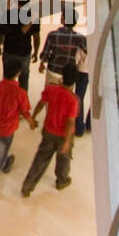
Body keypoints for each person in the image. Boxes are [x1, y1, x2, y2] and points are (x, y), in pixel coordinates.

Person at [0, 58, 36, 195]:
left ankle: (6, 159)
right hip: (8, 128)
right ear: (18, 74)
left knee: (1, 145)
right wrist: (32, 123)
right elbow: (25, 113)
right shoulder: (20, 92)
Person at [21, 63, 79, 196]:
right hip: (63, 135)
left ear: (62, 76)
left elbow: (41, 103)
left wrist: (33, 117)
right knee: (64, 160)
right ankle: (61, 181)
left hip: (48, 130)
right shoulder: (73, 100)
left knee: (40, 159)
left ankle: (27, 186)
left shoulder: (51, 89)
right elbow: (70, 122)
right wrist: (67, 141)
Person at [0, 0, 40, 93]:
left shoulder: (8, 14)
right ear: (29, 0)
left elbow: (2, 33)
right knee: (24, 79)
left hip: (9, 51)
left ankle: (5, 100)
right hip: (24, 53)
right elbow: (36, 37)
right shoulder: (34, 17)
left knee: (7, 78)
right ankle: (22, 104)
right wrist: (36, 52)